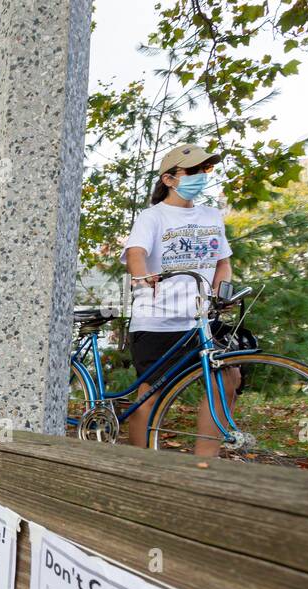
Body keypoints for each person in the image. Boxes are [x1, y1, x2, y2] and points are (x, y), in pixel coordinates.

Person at [122, 143, 237, 456]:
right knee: (151, 394)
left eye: (205, 169)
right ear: (169, 179)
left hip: (202, 318)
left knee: (226, 380)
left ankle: (203, 468)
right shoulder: (153, 217)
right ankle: (138, 467)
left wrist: (220, 292)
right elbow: (136, 253)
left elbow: (222, 261)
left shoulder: (212, 215)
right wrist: (142, 276)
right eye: (192, 171)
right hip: (158, 318)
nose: (201, 176)